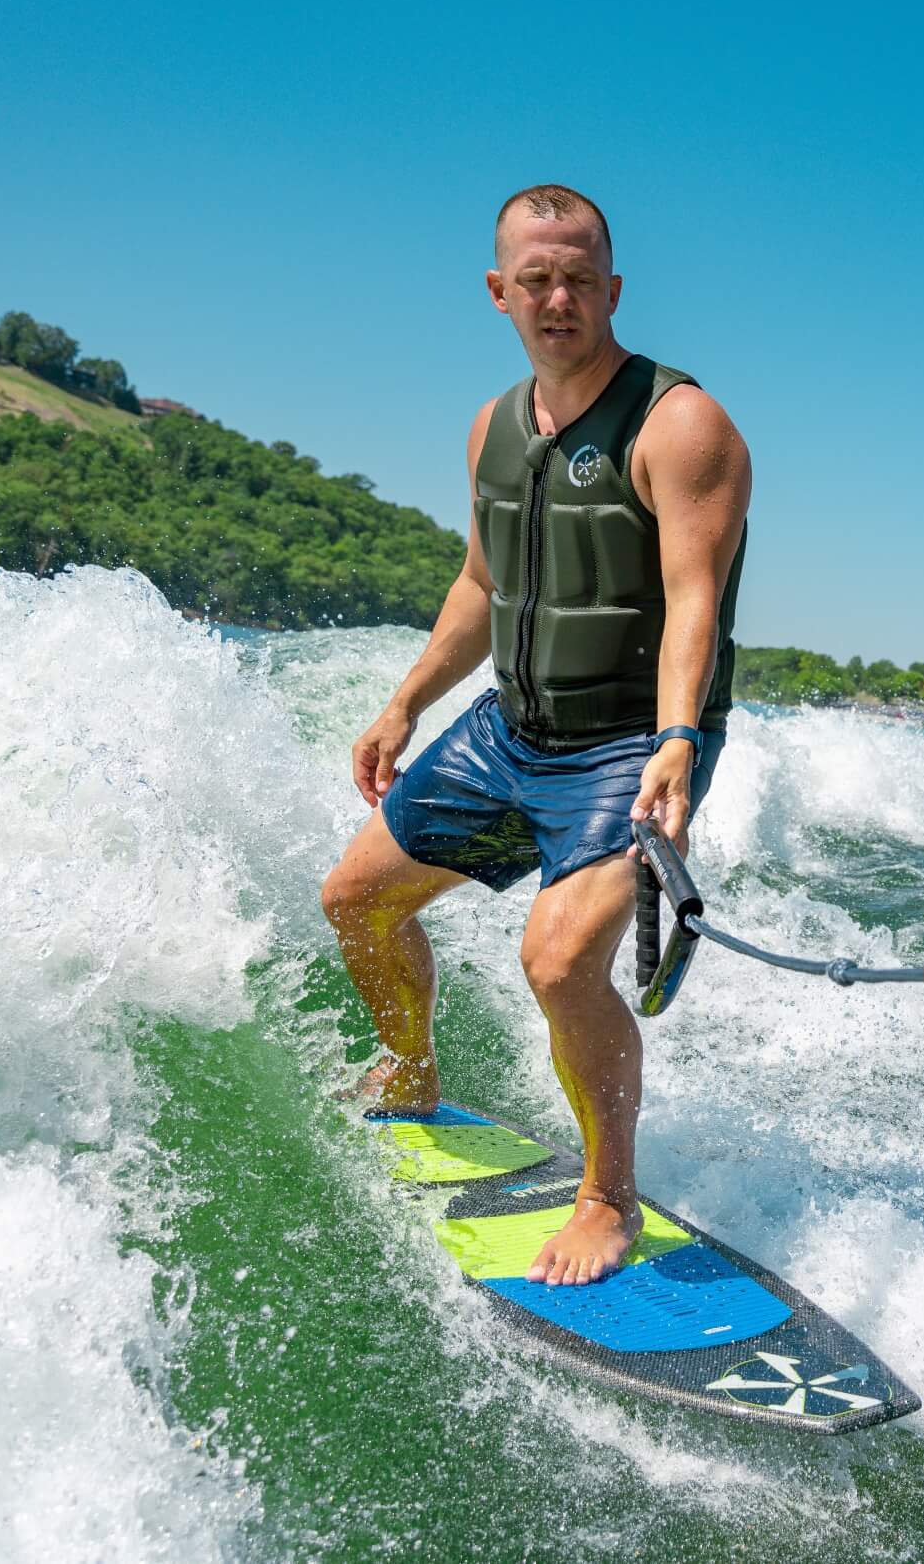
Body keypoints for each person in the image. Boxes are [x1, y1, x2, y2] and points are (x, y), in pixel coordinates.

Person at [320, 183, 750, 1287]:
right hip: (511, 727)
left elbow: (692, 600)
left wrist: (678, 741)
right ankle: (412, 1074)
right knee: (355, 900)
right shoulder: (491, 427)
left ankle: (609, 1193)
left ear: (612, 287)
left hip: (627, 743)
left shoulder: (679, 422)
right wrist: (406, 698)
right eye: (535, 277)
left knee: (559, 961)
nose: (557, 296)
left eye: (578, 276)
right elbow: (480, 580)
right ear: (498, 290)